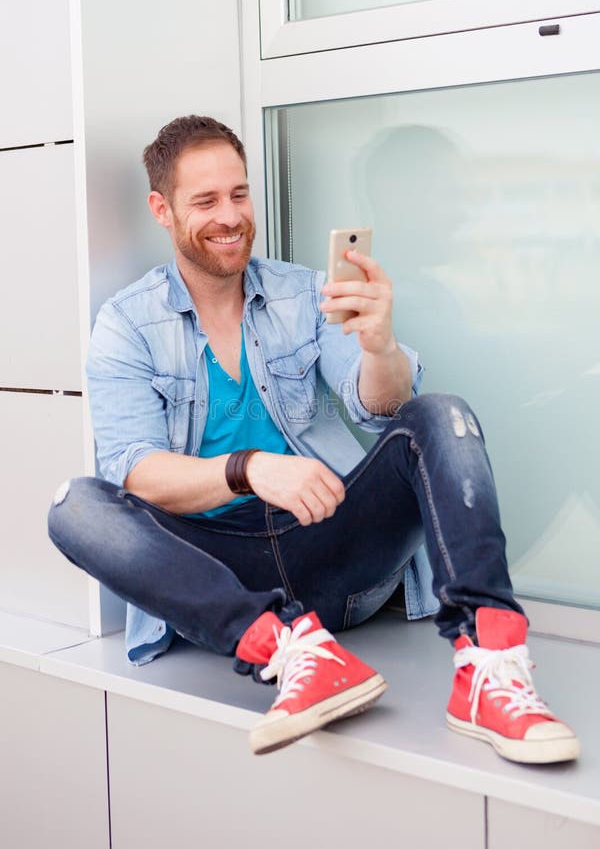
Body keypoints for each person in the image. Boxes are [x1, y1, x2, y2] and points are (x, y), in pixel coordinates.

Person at [48, 115, 579, 762]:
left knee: (440, 413)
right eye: (206, 201)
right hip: (223, 575)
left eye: (239, 194)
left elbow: (380, 404)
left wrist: (380, 344)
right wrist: (248, 469)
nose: (230, 216)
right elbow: (138, 473)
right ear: (161, 208)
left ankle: (489, 668)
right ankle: (294, 653)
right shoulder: (127, 324)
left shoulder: (301, 292)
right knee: (75, 504)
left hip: (331, 549)